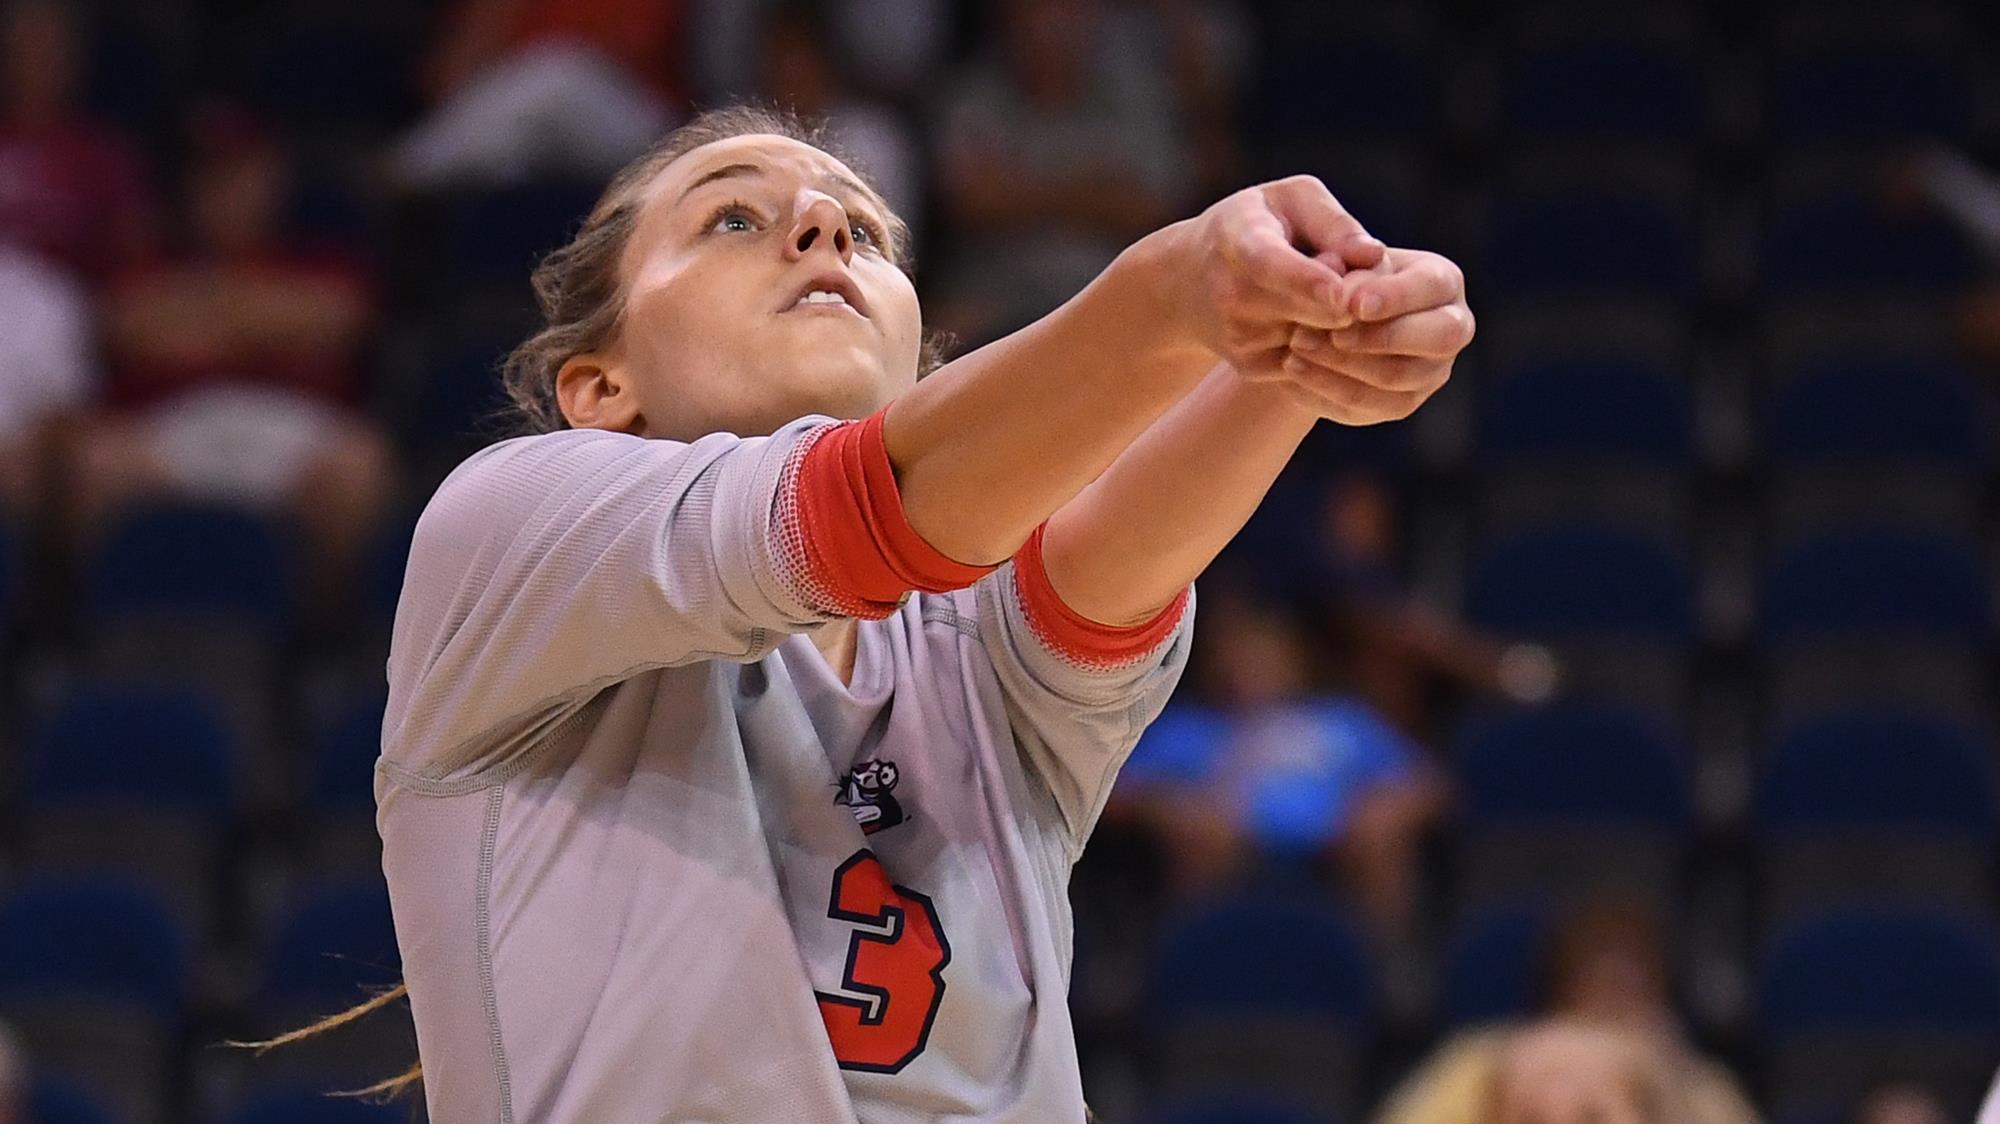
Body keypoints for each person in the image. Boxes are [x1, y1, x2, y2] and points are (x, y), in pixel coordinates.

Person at [254, 105, 1472, 1120]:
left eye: (868, 233)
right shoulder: (508, 527)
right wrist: (1171, 291)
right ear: (600, 387)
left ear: (925, 367)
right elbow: (877, 504)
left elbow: (1097, 549)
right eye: (733, 216)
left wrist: (1317, 337)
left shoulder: (969, 630)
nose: (822, 225)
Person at [64, 104, 393, 620]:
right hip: (173, 424)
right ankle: (108, 634)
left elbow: (338, 320)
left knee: (358, 465)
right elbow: (130, 327)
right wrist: (269, 322)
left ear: (272, 177)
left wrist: (205, 315)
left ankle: (324, 641)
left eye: (241, 175)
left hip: (291, 423)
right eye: (210, 179)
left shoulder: (322, 256)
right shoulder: (146, 264)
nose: (225, 194)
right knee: (95, 463)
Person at [1107, 584, 1448, 943]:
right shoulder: (1190, 727)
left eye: (1263, 655)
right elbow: (1112, 797)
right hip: (1224, 842)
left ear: (1294, 659)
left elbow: (1431, 783)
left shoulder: (1341, 721)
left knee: (1382, 834)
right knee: (1199, 833)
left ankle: (1388, 973)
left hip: (1340, 843)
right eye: (1236, 655)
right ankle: (1196, 961)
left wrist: (1384, 810)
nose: (1248, 669)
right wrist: (1167, 807)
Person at [1377, 898, 1760, 1124]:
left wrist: (1670, 1083)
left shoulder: (1693, 1079)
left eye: (1591, 1120)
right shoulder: (1484, 1057)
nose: (1613, 1000)